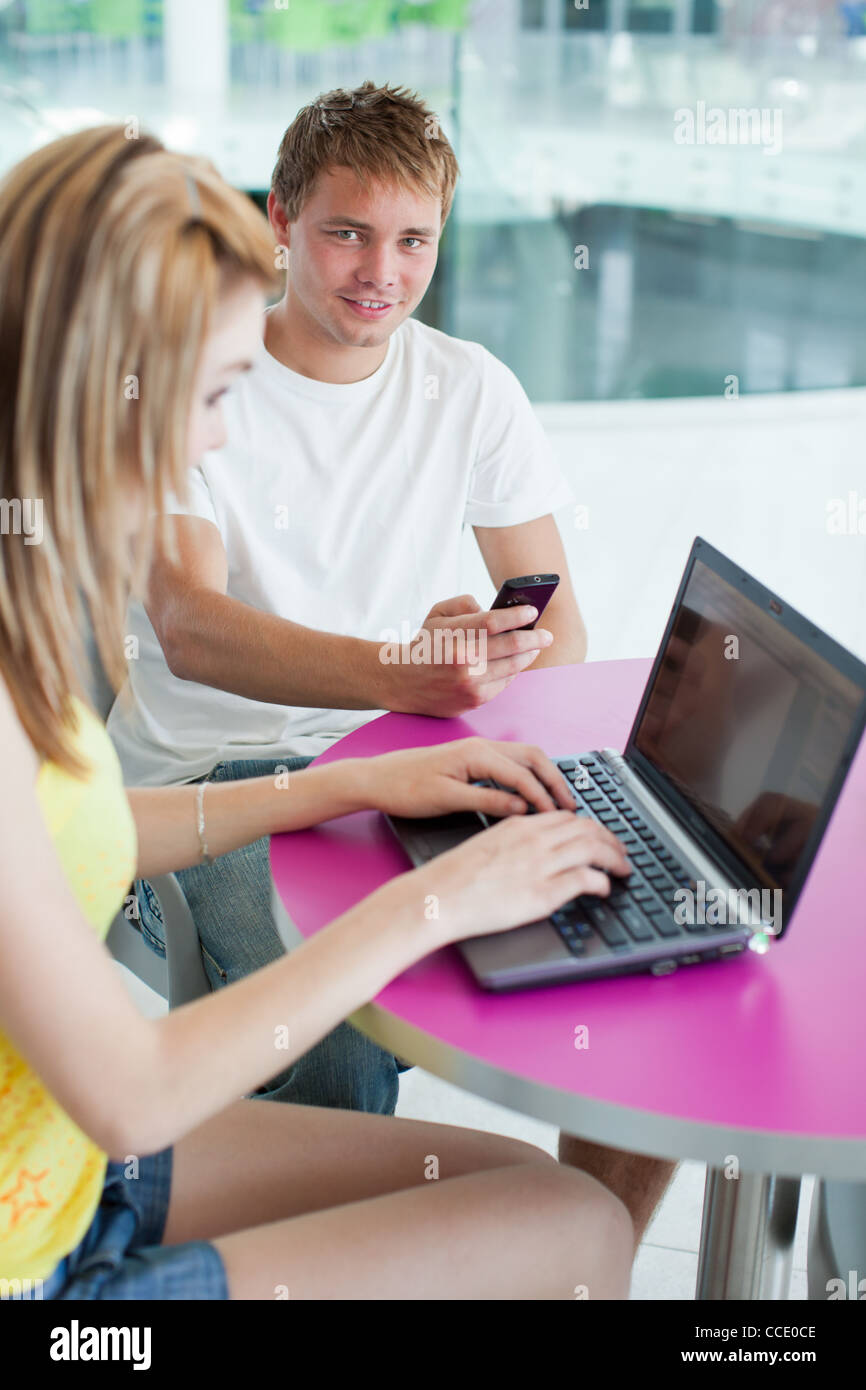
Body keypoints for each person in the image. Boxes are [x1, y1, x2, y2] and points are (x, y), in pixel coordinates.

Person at [0, 124, 634, 1300]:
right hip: (39, 1263)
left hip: (68, 1172)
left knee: (558, 1201)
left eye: (410, 240)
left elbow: (51, 836)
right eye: (215, 392)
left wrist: (346, 782)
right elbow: (132, 1090)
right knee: (576, 1239)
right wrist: (436, 898)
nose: (224, 434)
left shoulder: (26, 597)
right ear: (105, 382)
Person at [107, 80, 585, 1118]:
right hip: (211, 777)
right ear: (279, 221)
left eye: (414, 240)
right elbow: (189, 625)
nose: (382, 273)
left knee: (619, 931)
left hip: (392, 759)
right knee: (340, 1049)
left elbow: (560, 632)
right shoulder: (194, 382)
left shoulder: (470, 388)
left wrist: (479, 661)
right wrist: (402, 674)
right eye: (347, 233)